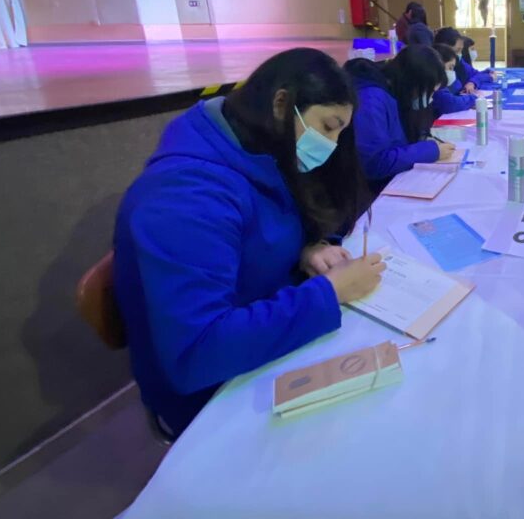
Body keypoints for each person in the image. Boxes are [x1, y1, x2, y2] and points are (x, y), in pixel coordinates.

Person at [114, 49, 386, 437]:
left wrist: (308, 249)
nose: (331, 145)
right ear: (281, 104)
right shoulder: (185, 198)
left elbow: (255, 236)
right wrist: (328, 293)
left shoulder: (258, 151)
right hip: (213, 393)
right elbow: (197, 353)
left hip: (264, 336)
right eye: (327, 127)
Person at [346, 45, 455, 186]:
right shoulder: (372, 100)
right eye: (428, 92)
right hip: (373, 189)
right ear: (414, 83)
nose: (429, 99)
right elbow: (373, 163)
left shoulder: (398, 94)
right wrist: (430, 151)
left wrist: (423, 138)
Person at [436, 27, 491, 91]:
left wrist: (472, 82)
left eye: (461, 50)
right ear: (444, 49)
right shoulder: (441, 74)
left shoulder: (460, 62)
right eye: (457, 50)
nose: (460, 54)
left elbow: (476, 74)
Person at [432, 43, 477, 115]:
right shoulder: (435, 87)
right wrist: (473, 98)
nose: (452, 72)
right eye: (450, 68)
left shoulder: (442, 84)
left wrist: (472, 82)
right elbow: (450, 103)